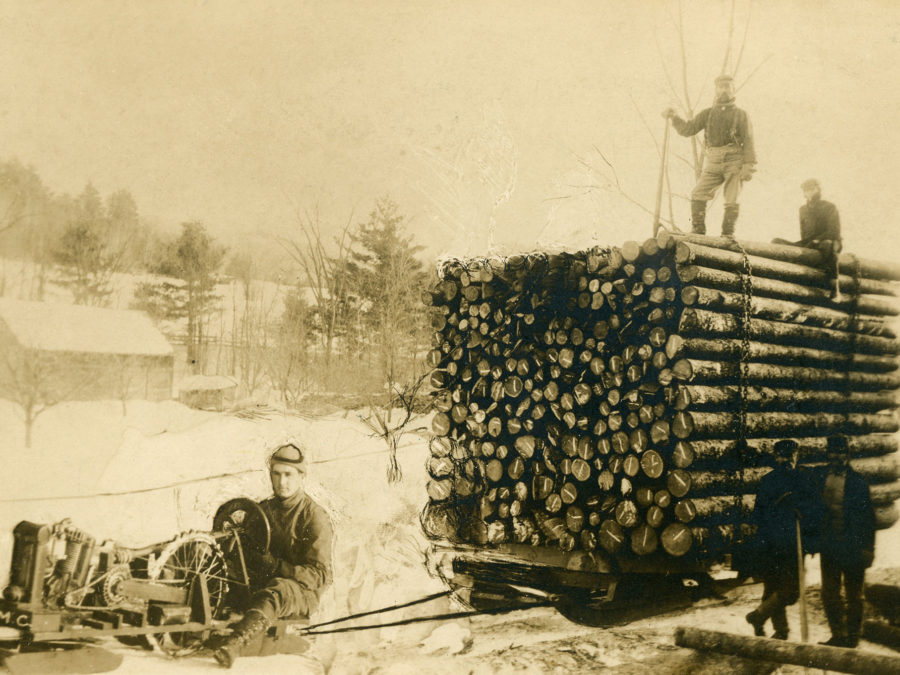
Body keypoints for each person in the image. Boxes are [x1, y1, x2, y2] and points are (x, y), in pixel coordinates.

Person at [212, 443, 335, 668]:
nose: (282, 482)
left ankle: (236, 643)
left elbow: (320, 575)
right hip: (260, 582)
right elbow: (244, 550)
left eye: (288, 475)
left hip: (299, 592)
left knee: (278, 589)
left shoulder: (314, 517)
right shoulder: (262, 510)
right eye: (276, 474)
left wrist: (277, 567)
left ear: (301, 475)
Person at [662, 74, 757, 238]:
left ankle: (728, 235)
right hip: (713, 160)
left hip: (734, 159)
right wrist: (674, 117)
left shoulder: (741, 114)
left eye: (727, 86)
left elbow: (748, 140)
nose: (724, 90)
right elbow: (688, 129)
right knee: (698, 193)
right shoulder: (708, 114)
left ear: (733, 90)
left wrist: (749, 165)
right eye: (721, 87)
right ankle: (698, 231)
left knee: (731, 197)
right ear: (716, 90)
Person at [745, 439, 821, 640]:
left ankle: (759, 617)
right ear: (776, 457)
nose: (786, 460)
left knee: (790, 591)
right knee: (772, 587)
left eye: (790, 456)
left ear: (796, 457)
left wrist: (803, 517)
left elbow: (815, 509)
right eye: (782, 456)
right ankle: (780, 630)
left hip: (794, 543)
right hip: (772, 543)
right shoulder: (768, 481)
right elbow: (758, 515)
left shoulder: (805, 479)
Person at [818, 435, 876, 648]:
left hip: (853, 547)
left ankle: (853, 637)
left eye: (841, 453)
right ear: (828, 454)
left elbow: (869, 519)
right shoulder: (821, 477)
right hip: (830, 547)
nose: (837, 457)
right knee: (829, 594)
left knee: (854, 595)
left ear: (847, 455)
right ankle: (838, 635)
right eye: (833, 452)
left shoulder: (858, 482)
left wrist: (869, 550)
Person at [773, 179, 843, 299]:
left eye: (812, 189)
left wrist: (818, 240)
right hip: (810, 243)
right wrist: (807, 244)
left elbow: (834, 231)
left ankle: (835, 289)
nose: (809, 192)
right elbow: (804, 233)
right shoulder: (803, 209)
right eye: (806, 190)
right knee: (776, 241)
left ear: (818, 190)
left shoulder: (829, 207)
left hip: (830, 241)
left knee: (827, 245)